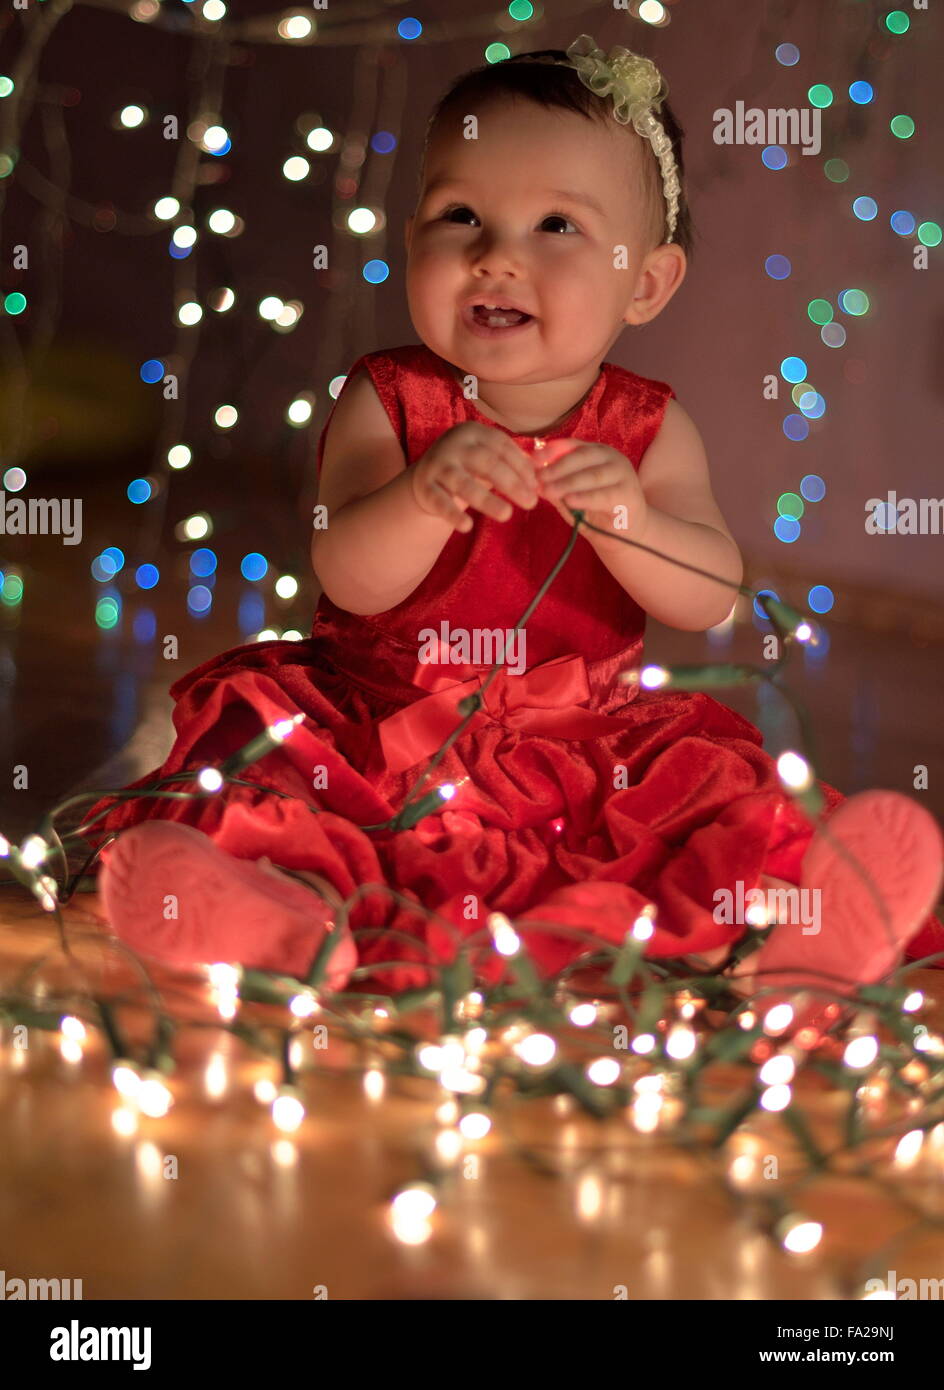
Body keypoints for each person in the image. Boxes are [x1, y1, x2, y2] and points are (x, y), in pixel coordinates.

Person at [86, 37, 944, 1026]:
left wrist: (627, 520)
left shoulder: (650, 429)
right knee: (274, 788)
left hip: (586, 747)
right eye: (460, 217)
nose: (496, 254)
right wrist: (418, 498)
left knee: (713, 814)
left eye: (554, 225)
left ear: (645, 284)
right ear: (410, 240)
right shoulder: (389, 398)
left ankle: (788, 937)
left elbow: (705, 593)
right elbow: (349, 575)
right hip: (386, 720)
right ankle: (279, 923)